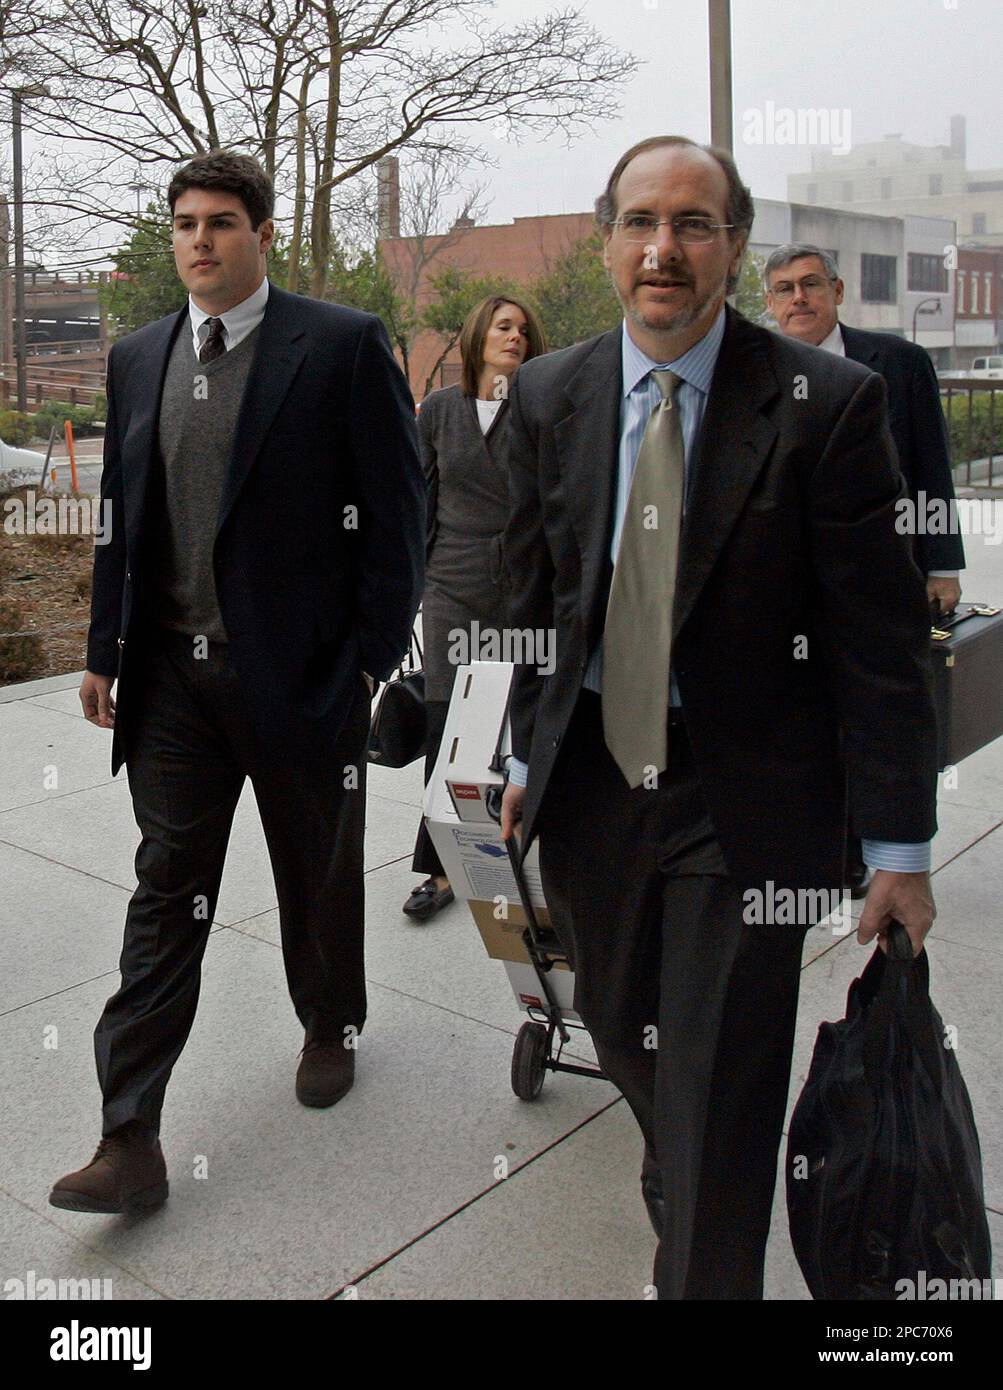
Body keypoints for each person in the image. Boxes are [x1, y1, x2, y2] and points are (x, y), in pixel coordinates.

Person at [500, 135, 938, 1300]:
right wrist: (510, 748)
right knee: (626, 1031)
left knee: (716, 1083)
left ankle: (703, 1267)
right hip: (592, 781)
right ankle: (688, 1209)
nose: (663, 249)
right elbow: (537, 591)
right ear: (605, 242)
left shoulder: (827, 405)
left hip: (743, 800)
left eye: (693, 224)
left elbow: (882, 646)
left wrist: (899, 848)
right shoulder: (553, 393)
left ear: (731, 247)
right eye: (641, 222)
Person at [50, 151, 425, 1216]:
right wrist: (104, 644)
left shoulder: (341, 347)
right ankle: (130, 1136)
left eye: (220, 221)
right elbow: (125, 512)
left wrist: (365, 657)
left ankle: (328, 1022)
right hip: (173, 682)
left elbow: (396, 518)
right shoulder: (139, 355)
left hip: (301, 678)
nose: (199, 240)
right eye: (183, 223)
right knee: (167, 890)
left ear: (262, 234)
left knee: (317, 868)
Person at [765, 242, 963, 896]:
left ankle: (885, 842)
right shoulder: (755, 371)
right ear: (769, 302)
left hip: (884, 573)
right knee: (807, 713)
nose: (799, 298)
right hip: (790, 585)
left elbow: (931, 467)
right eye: (785, 288)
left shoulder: (897, 364)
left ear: (837, 290)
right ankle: (833, 846)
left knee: (877, 707)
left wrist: (941, 564)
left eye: (810, 285)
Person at [402, 295, 546, 921]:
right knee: (448, 729)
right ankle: (437, 869)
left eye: (522, 329)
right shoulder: (439, 410)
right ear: (478, 336)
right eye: (502, 325)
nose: (513, 336)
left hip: (522, 590)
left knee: (523, 724)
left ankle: (520, 847)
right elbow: (411, 497)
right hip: (452, 587)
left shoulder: (543, 408)